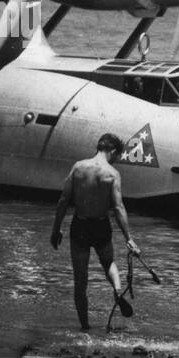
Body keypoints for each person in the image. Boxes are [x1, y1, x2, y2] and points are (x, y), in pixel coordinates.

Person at [51, 133, 139, 331]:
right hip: (101, 225)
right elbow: (118, 208)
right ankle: (117, 290)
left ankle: (85, 328)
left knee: (80, 280)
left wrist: (56, 230)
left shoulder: (78, 167)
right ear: (113, 151)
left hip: (80, 225)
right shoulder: (112, 174)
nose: (117, 160)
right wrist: (129, 239)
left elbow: (63, 201)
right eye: (118, 156)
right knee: (108, 263)